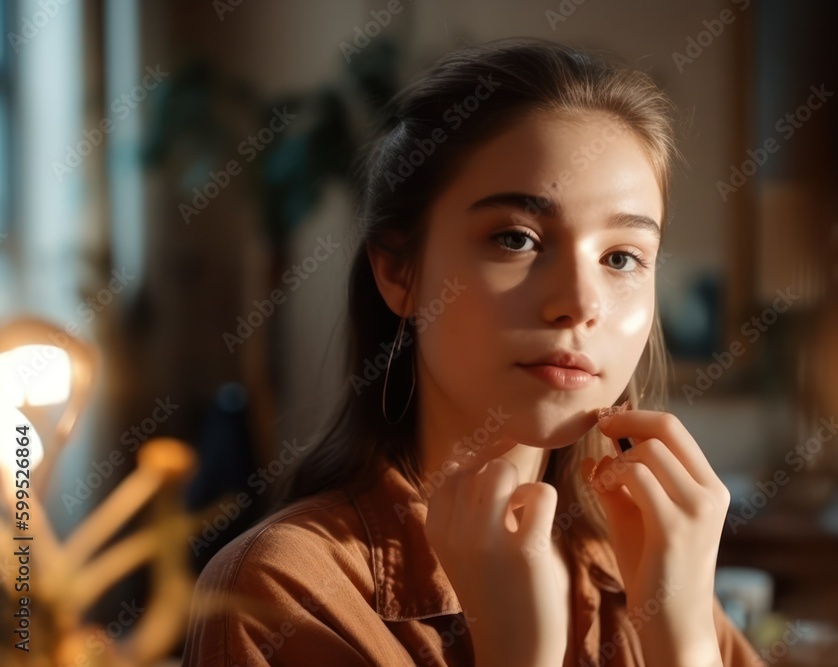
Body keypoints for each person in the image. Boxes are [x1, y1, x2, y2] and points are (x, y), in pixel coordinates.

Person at [181, 36, 761, 666]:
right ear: (399, 272)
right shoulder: (282, 593)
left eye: (621, 257)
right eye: (516, 239)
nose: (579, 302)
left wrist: (685, 640)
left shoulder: (643, 568)